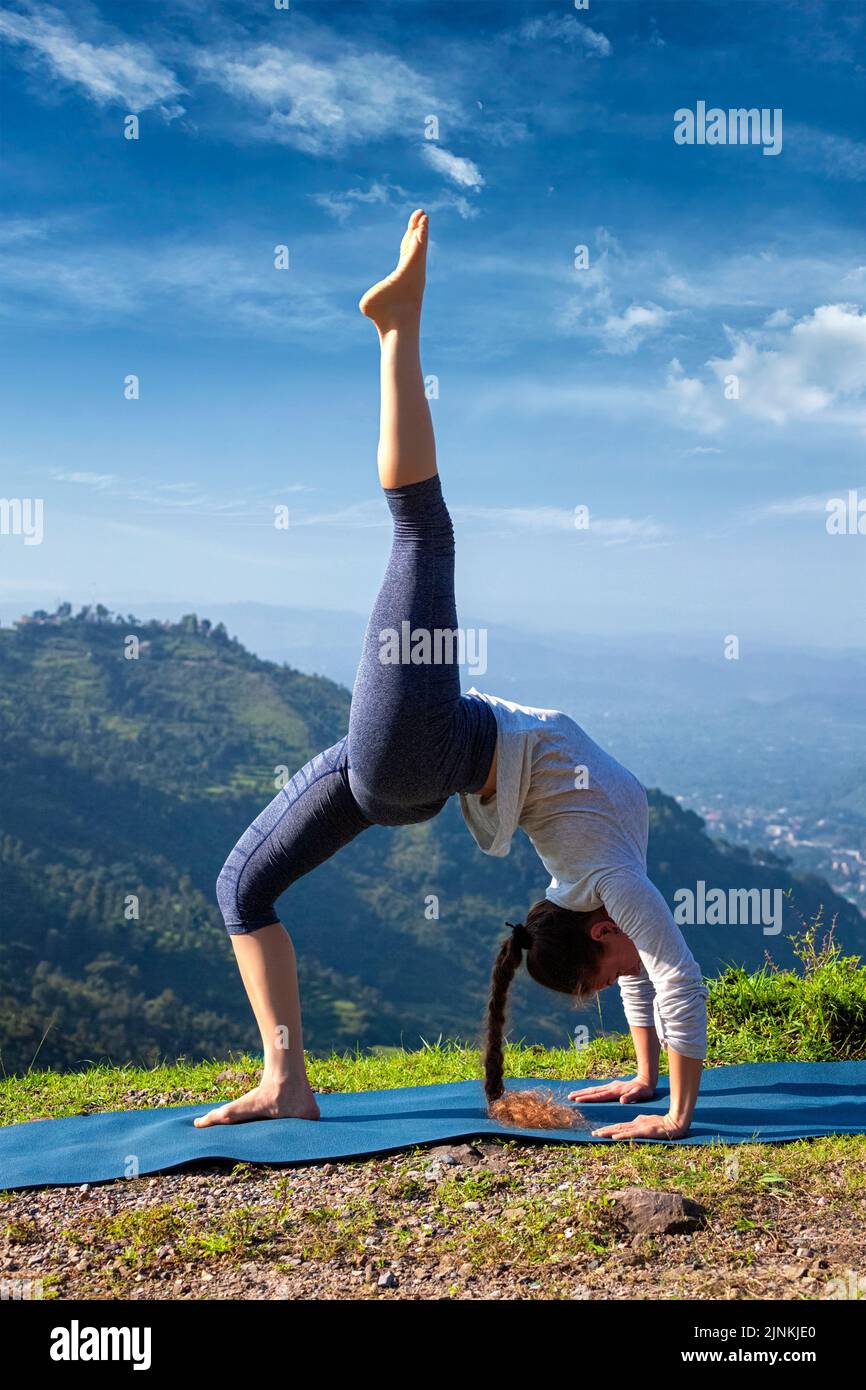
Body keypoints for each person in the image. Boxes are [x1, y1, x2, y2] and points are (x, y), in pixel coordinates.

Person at [196, 211, 708, 1140]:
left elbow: (659, 963)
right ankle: (288, 1083)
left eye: (601, 975)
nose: (618, 974)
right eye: (607, 978)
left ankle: (399, 327)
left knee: (422, 530)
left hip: (422, 749)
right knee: (242, 888)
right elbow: (650, 963)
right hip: (415, 763)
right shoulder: (608, 879)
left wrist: (668, 1108)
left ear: (593, 927)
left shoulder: (605, 878)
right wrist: (649, 1086)